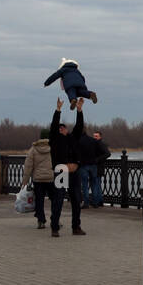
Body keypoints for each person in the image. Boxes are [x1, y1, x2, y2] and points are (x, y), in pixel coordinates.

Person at [48, 97, 86, 235]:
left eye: (64, 127)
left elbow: (79, 126)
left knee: (76, 200)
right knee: (58, 199)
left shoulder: (72, 138)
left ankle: (76, 227)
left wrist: (79, 110)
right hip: (61, 172)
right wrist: (58, 109)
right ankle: (54, 228)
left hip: (74, 172)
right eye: (60, 128)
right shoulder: (55, 139)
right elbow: (53, 126)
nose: (62, 129)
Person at [22, 128, 60, 234]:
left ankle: (41, 221)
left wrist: (25, 180)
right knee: (55, 200)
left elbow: (28, 166)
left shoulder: (33, 149)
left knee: (39, 200)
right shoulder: (54, 148)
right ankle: (55, 219)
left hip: (38, 179)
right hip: (51, 178)